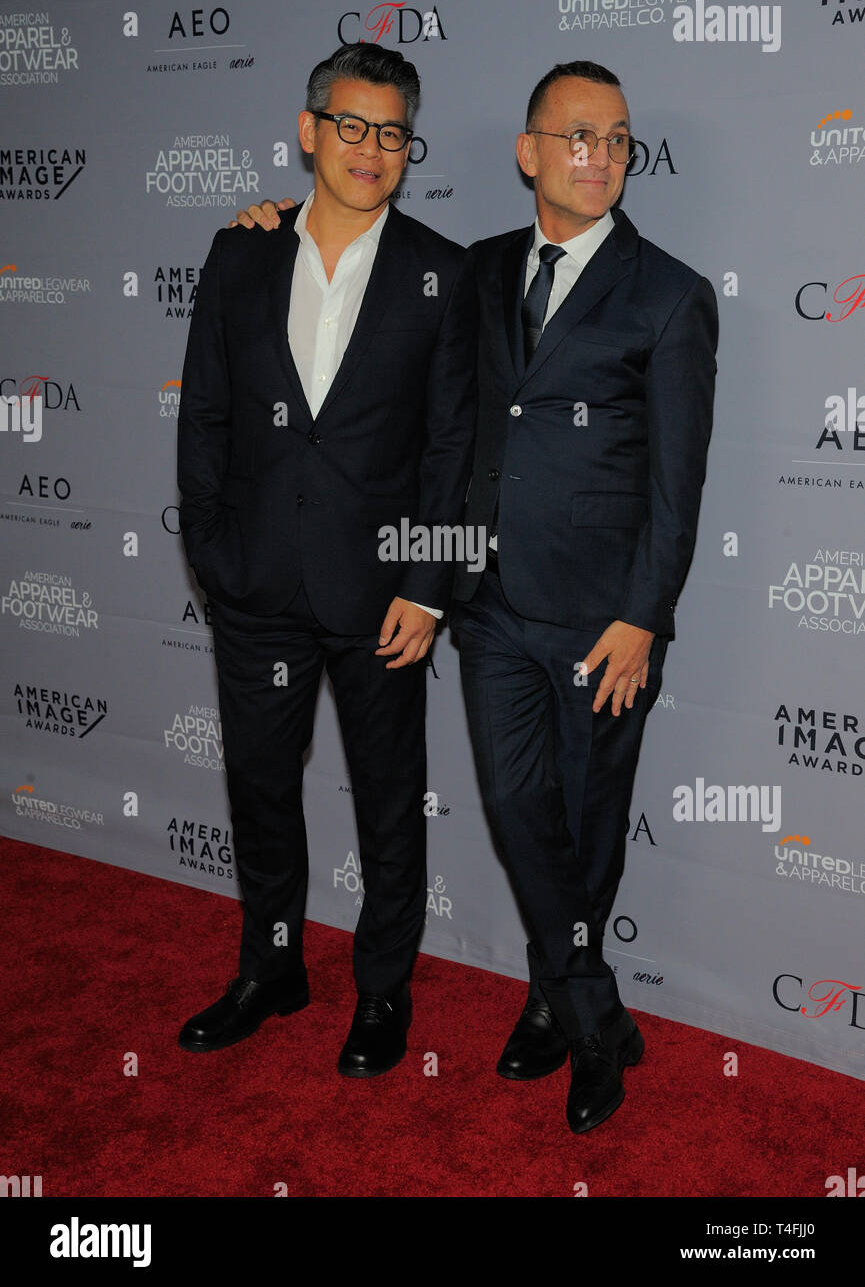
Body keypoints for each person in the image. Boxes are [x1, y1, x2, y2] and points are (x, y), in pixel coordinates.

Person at [232, 58, 717, 1133]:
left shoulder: (672, 294)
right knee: (514, 812)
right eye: (577, 136)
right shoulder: (476, 270)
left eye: (618, 139)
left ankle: (561, 1004)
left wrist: (642, 617)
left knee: (586, 829)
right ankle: (599, 1019)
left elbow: (676, 487)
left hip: (605, 621)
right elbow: (436, 414)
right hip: (489, 606)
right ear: (528, 153)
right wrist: (267, 228)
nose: (599, 156)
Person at [176, 42, 476, 1078]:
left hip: (383, 593)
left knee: (390, 799)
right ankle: (272, 966)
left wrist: (429, 590)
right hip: (255, 583)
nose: (370, 149)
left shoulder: (445, 272)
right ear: (310, 131)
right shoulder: (239, 254)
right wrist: (210, 550)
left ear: (406, 149)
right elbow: (206, 415)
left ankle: (382, 988)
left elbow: (455, 449)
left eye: (391, 132)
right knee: (260, 787)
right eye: (350, 125)